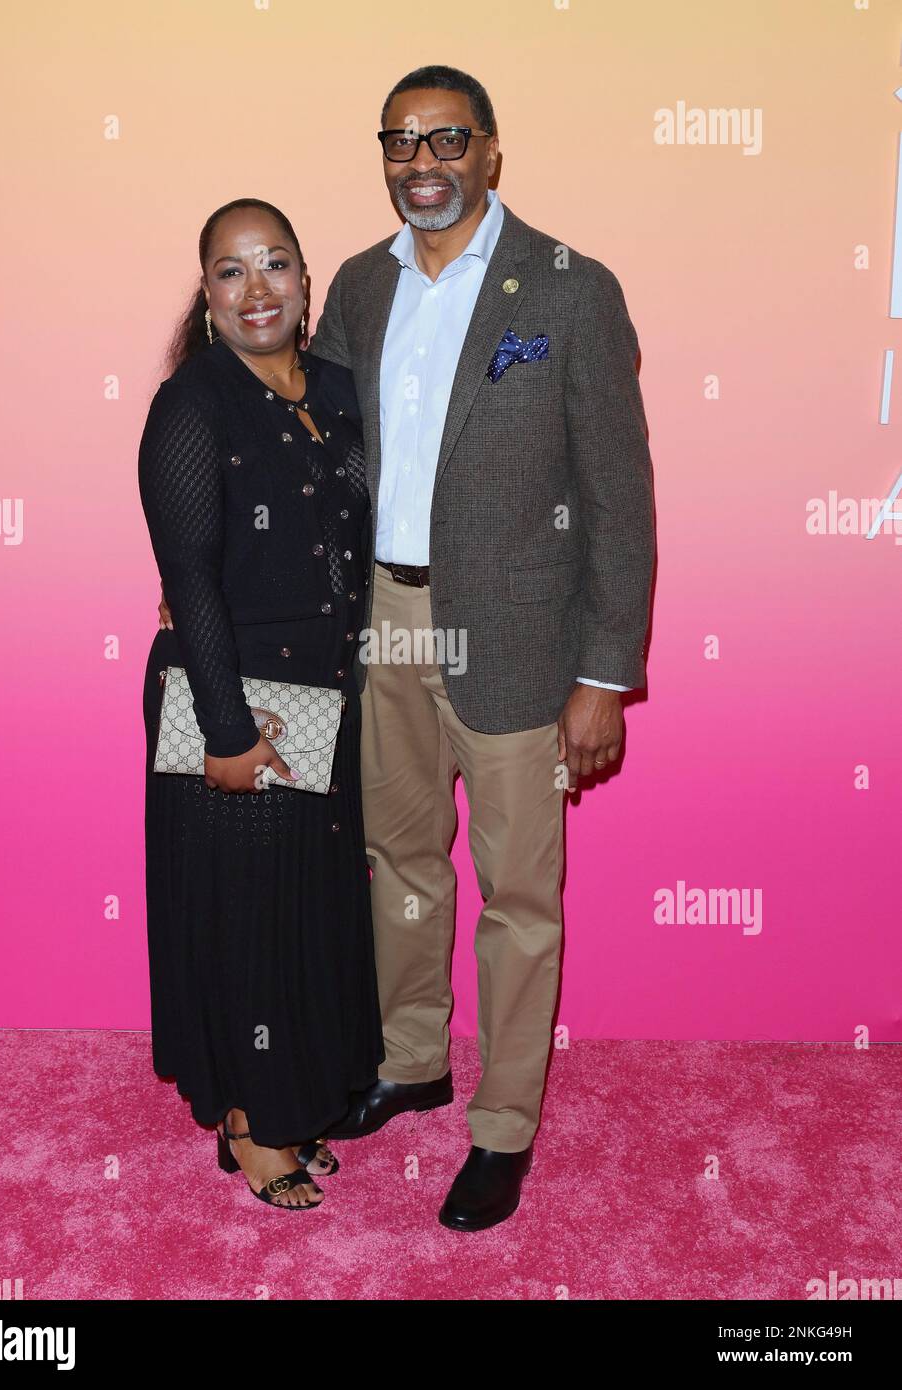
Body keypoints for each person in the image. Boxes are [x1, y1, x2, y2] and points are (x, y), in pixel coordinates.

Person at [308, 65, 656, 1231]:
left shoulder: (569, 291)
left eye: (447, 138)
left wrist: (603, 676)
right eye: (401, 141)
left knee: (520, 896)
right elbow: (320, 459)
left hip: (518, 643)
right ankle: (413, 1061)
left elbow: (619, 498)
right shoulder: (358, 287)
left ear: (492, 152)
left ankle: (503, 1128)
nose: (423, 162)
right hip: (383, 626)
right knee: (399, 864)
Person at [139, 197, 384, 1211]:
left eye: (275, 264)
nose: (257, 289)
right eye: (231, 271)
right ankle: (248, 1124)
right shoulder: (193, 404)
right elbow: (187, 574)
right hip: (233, 693)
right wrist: (230, 734)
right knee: (242, 920)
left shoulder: (333, 387)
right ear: (206, 294)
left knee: (306, 915)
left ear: (306, 281)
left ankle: (291, 1097)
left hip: (328, 685)